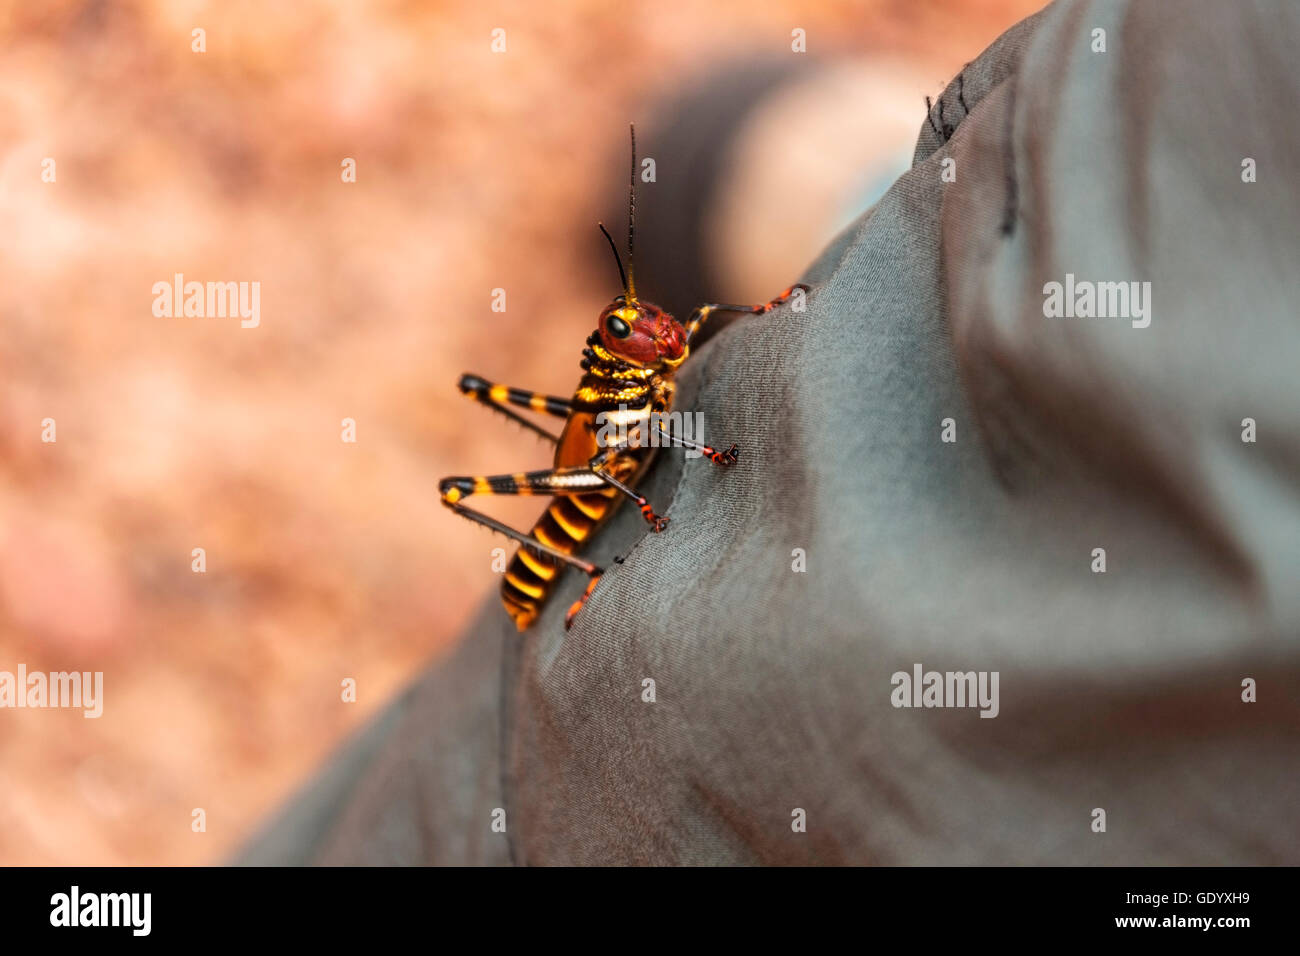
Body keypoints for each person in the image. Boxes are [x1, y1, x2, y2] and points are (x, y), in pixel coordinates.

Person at [238, 0, 1300, 865]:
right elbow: (630, 445)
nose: (650, 327)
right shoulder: (625, 394)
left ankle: (926, 239)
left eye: (649, 323)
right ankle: (930, 246)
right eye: (637, 327)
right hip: (567, 528)